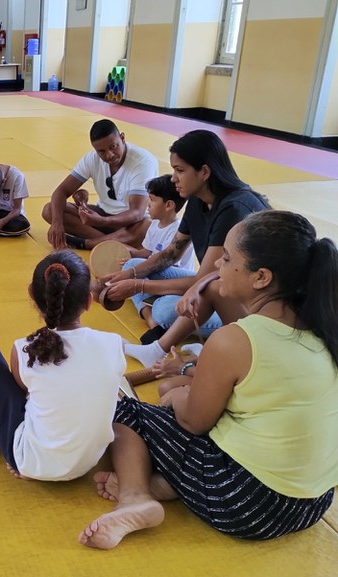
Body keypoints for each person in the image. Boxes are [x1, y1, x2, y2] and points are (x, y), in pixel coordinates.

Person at [79, 210, 338, 549]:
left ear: (261, 277)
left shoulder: (236, 339)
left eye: (227, 258)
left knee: (123, 409)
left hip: (246, 505)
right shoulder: (324, 325)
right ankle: (164, 484)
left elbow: (193, 422)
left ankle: (135, 496)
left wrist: (177, 397)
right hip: (312, 503)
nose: (216, 264)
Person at [101, 130, 269, 367]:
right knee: (134, 264)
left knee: (166, 311)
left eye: (179, 170)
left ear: (204, 172)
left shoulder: (235, 208)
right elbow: (171, 253)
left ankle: (162, 342)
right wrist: (129, 275)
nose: (173, 179)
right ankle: (171, 327)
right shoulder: (197, 200)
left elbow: (206, 280)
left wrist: (138, 286)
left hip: (245, 304)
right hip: (218, 286)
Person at [0, 250, 126, 480]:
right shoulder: (113, 343)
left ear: (33, 295)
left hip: (28, 461)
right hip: (86, 463)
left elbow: (22, 392)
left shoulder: (24, 348)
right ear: (89, 301)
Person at [42, 119, 157, 250]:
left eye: (113, 147)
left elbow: (137, 212)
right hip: (103, 215)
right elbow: (61, 191)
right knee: (50, 210)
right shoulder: (92, 158)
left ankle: (86, 243)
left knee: (147, 226)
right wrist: (57, 224)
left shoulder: (143, 161)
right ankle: (111, 243)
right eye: (101, 151)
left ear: (122, 138)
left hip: (131, 223)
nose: (109, 155)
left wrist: (102, 221)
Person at [117, 175, 195, 340]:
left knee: (133, 270)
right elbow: (147, 252)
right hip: (156, 273)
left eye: (152, 199)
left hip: (174, 281)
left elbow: (167, 265)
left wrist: (134, 267)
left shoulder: (177, 230)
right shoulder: (154, 224)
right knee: (130, 267)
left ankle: (152, 310)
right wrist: (127, 252)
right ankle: (152, 321)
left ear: (169, 205)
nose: (148, 204)